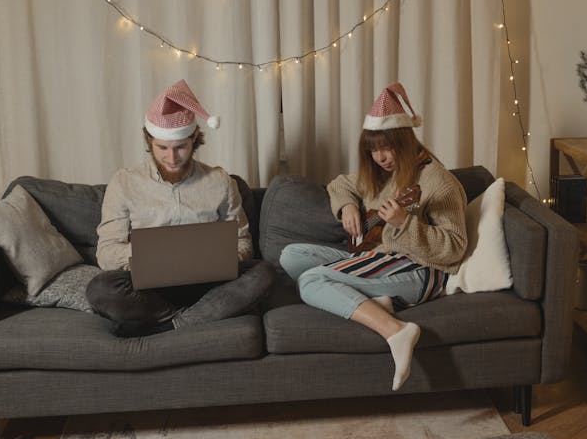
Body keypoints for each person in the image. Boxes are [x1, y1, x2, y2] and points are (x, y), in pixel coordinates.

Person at [279, 82, 468, 390]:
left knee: (311, 281)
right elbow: (340, 184)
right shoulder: (381, 174)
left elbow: (455, 248)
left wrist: (405, 223)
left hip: (420, 269)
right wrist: (347, 208)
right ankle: (374, 301)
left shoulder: (439, 182)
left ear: (405, 139)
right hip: (378, 256)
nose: (380, 157)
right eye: (373, 150)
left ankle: (396, 330)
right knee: (291, 255)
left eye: (387, 147)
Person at [88, 79, 274, 337]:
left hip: (209, 283)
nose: (172, 158)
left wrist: (224, 256)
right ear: (148, 139)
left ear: (194, 139)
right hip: (149, 288)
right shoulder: (124, 183)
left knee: (262, 272)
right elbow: (106, 253)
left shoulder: (220, 181)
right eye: (162, 148)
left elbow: (242, 241)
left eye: (180, 148)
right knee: (100, 288)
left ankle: (169, 326)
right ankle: (199, 316)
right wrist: (145, 255)